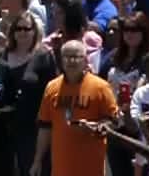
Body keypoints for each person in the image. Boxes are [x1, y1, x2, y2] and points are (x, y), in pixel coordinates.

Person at [33, 38, 119, 176]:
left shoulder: (100, 87)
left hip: (91, 167)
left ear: (85, 60)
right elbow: (45, 128)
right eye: (66, 57)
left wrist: (95, 126)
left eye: (75, 57)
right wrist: (37, 160)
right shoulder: (52, 87)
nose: (71, 61)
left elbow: (115, 121)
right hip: (61, 168)